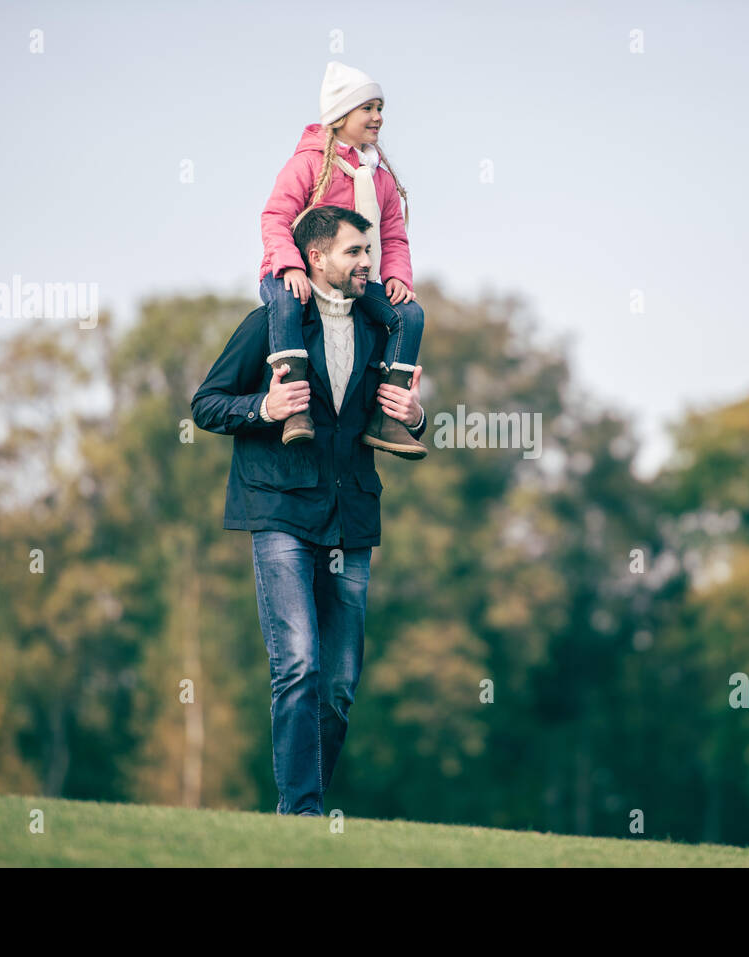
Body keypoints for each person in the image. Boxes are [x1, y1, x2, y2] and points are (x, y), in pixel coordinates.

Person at [191, 205, 428, 816]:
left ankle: (304, 805)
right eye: (354, 253)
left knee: (341, 684)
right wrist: (265, 409)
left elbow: (398, 415)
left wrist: (414, 416)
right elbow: (207, 404)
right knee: (297, 663)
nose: (368, 264)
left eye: (370, 252)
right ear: (315, 257)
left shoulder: (381, 329)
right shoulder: (272, 324)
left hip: (352, 518)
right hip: (278, 512)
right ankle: (300, 813)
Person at [259, 60, 426, 459]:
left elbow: (393, 235)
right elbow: (274, 217)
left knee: (410, 315)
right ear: (339, 115)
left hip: (352, 279)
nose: (378, 117)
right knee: (284, 304)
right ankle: (295, 411)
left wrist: (397, 276)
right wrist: (291, 265)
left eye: (380, 108)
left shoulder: (380, 178)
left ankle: (389, 418)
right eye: (367, 108)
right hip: (293, 272)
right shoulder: (309, 164)